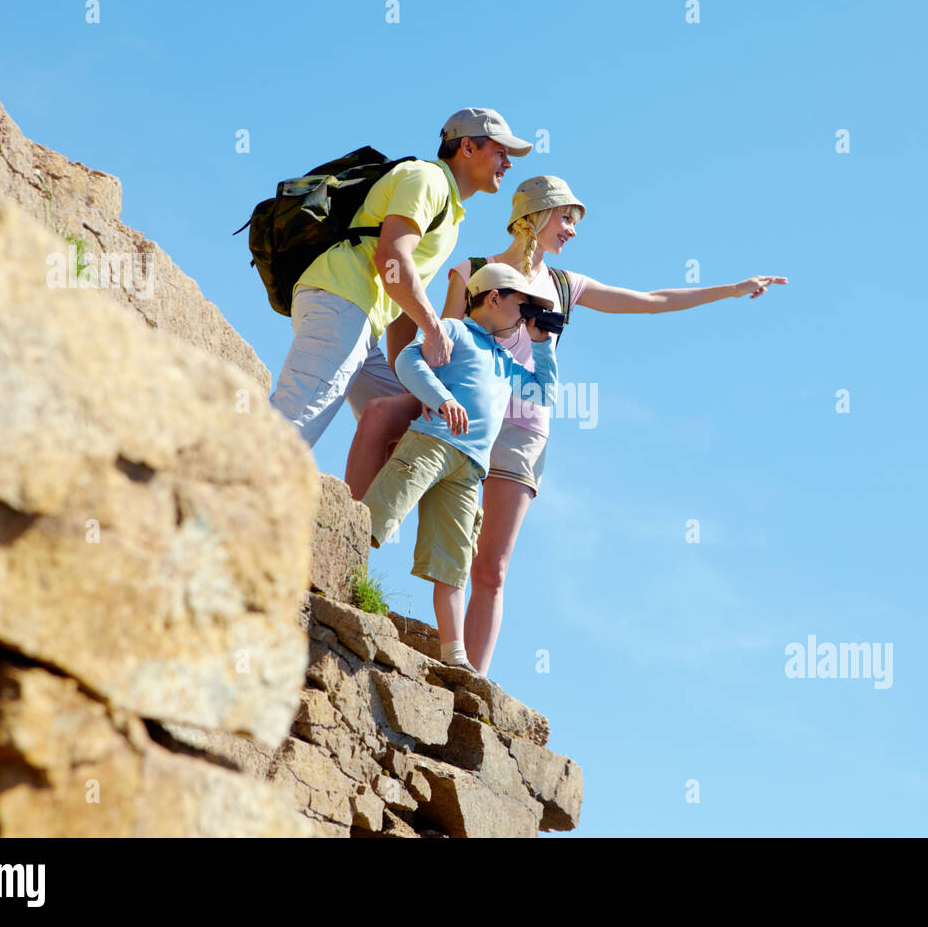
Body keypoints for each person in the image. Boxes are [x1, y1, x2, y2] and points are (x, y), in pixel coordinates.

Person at [347, 175, 788, 675]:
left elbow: (650, 300)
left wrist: (731, 289)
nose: (573, 231)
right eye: (566, 218)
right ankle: (345, 549)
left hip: (522, 432)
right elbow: (440, 346)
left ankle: (468, 681)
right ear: (533, 216)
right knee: (397, 453)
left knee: (490, 568)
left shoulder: (565, 286)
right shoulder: (470, 272)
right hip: (462, 415)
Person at [268, 107, 532, 447]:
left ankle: (367, 501)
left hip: (359, 319)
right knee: (295, 420)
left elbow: (404, 299)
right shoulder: (428, 179)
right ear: (467, 147)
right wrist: (434, 328)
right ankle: (236, 488)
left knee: (410, 424)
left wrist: (420, 385)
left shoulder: (451, 213)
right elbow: (391, 258)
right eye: (500, 152)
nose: (507, 163)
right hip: (342, 302)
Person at [361, 263, 558, 673]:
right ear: (494, 297)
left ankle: (455, 655)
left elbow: (543, 393)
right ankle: (340, 571)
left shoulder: (506, 362)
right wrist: (441, 399)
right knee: (382, 511)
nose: (525, 318)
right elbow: (409, 360)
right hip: (433, 441)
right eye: (522, 306)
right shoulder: (454, 330)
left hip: (469, 469)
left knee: (453, 563)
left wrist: (541, 345)